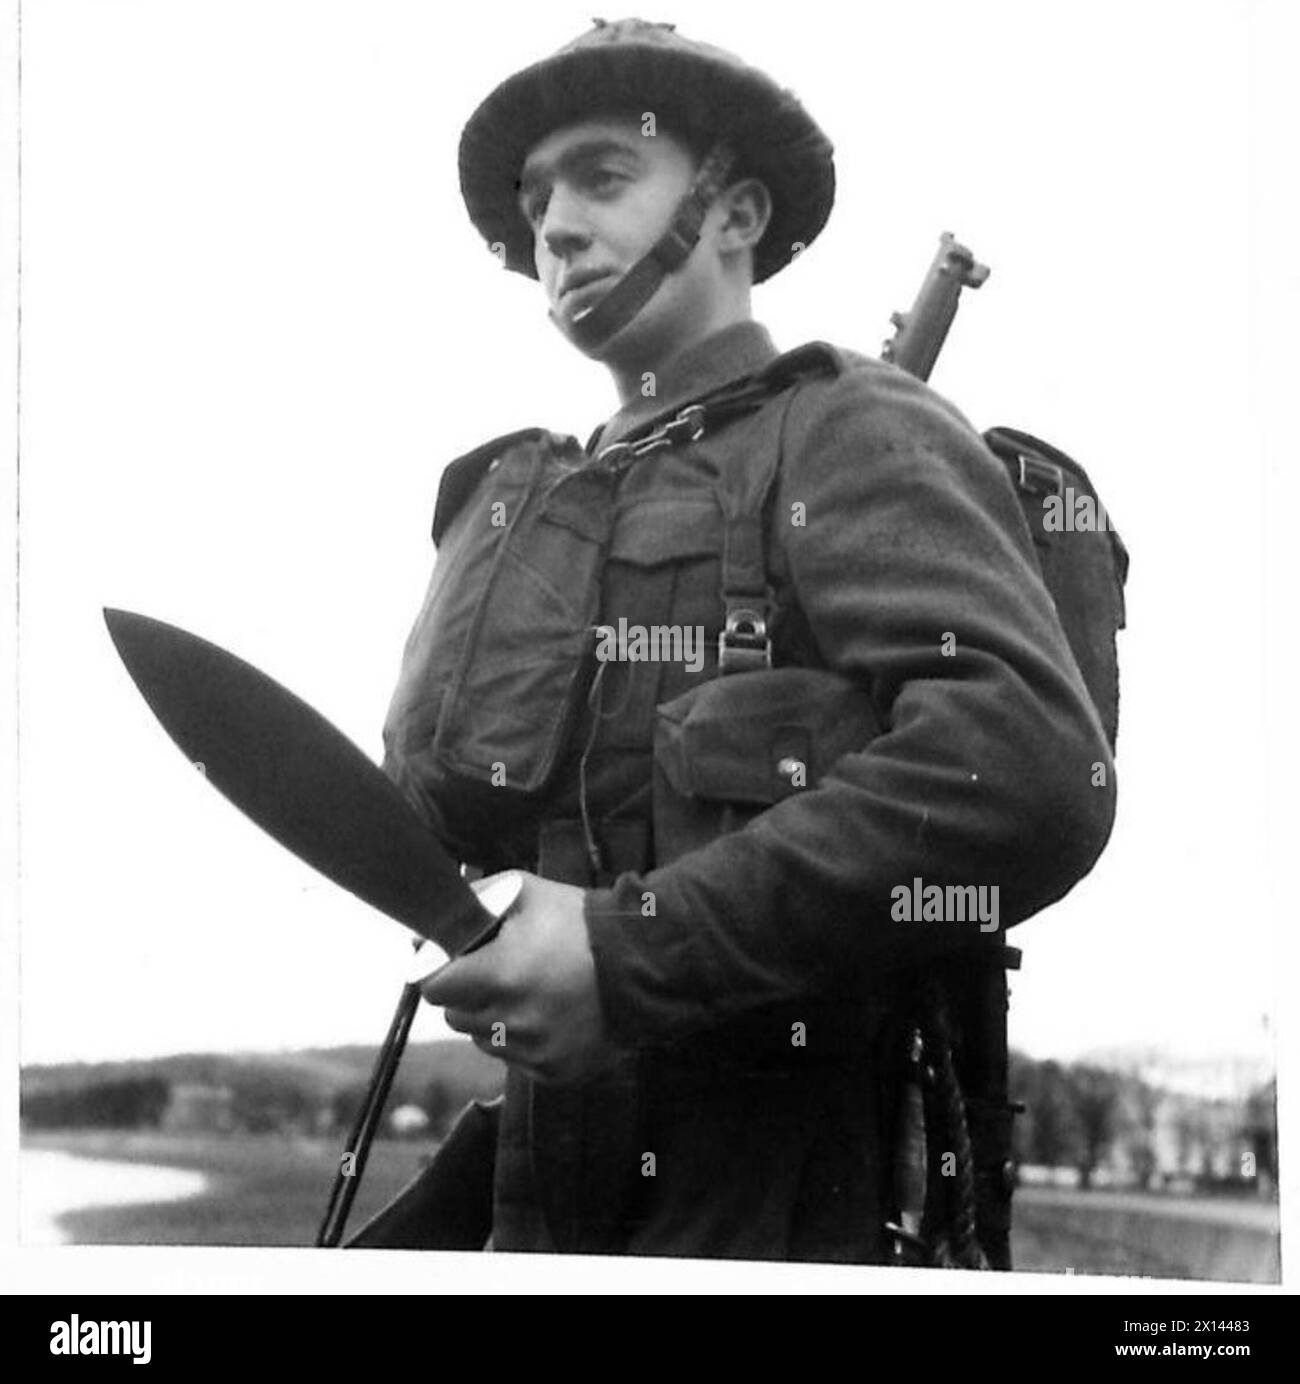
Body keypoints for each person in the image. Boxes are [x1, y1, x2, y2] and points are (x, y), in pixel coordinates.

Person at [375, 17, 1116, 1261]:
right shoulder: (542, 511)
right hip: (543, 1219)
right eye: (538, 194)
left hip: (786, 1235)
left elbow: (1029, 764)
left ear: (733, 214)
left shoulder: (848, 428)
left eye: (603, 177)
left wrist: (627, 953)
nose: (553, 223)